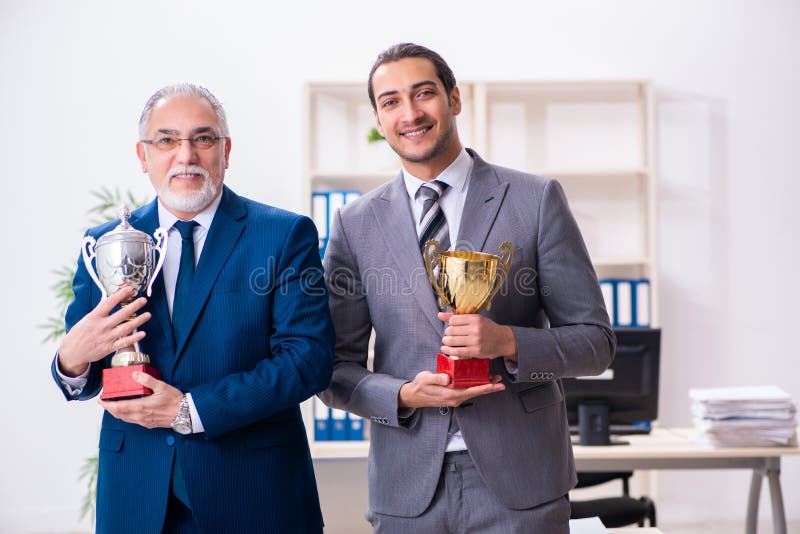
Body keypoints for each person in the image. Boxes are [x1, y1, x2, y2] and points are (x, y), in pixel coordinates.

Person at [320, 43, 616, 533]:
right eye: (391, 101)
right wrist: (402, 395)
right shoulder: (355, 224)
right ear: (378, 118)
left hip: (522, 483)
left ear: (454, 99)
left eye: (424, 94)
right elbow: (332, 369)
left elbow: (597, 344)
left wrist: (509, 341)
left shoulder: (535, 200)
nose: (410, 113)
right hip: (408, 488)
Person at [51, 83, 334, 534]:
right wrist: (72, 358)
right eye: (166, 140)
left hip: (255, 495)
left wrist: (190, 409)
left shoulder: (284, 234)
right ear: (143, 156)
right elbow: (81, 374)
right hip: (137, 498)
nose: (185, 155)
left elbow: (308, 361)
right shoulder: (104, 243)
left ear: (226, 150)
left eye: (202, 139)